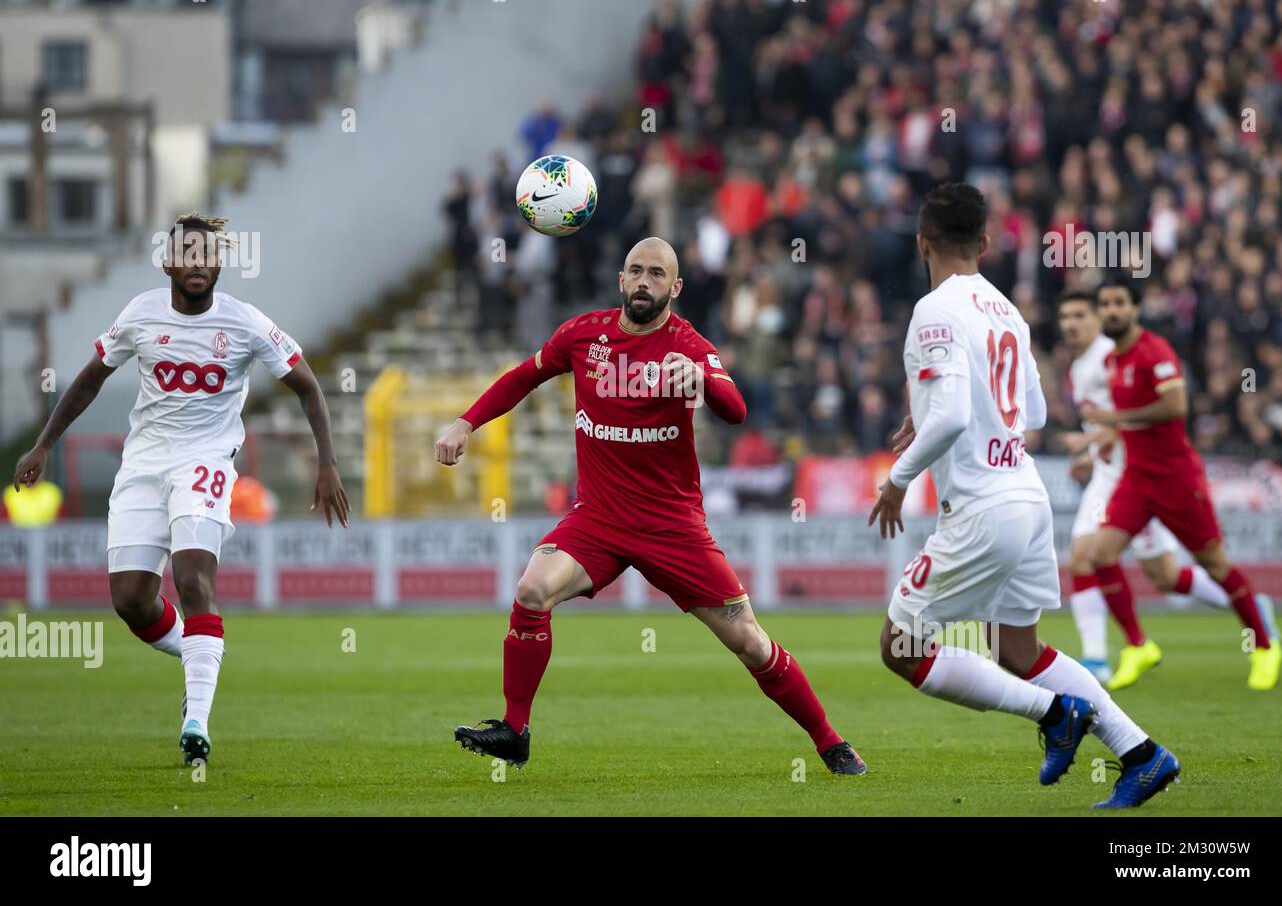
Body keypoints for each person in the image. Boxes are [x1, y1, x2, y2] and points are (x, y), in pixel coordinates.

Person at [437, 236, 867, 775]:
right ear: (621, 279)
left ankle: (830, 741)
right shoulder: (582, 335)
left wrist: (705, 382)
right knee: (531, 590)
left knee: (751, 643)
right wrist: (464, 422)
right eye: (635, 271)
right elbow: (525, 376)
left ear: (676, 287)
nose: (644, 282)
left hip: (672, 526)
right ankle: (515, 729)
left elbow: (735, 410)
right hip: (597, 518)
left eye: (657, 274)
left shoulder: (689, 346)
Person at [869, 184, 1178, 809]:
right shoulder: (1007, 309)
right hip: (1028, 494)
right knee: (1018, 649)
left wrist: (897, 480)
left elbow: (953, 416)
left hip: (983, 506)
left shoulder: (934, 309)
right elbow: (1031, 408)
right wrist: (928, 411)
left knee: (900, 648)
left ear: (922, 241)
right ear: (985, 243)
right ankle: (1143, 754)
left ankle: (1054, 713)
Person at [12, 213, 350, 764]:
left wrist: (327, 463)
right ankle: (199, 655)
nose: (198, 263)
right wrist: (45, 444)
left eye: (207, 255)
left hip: (205, 461)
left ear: (219, 263)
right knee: (130, 601)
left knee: (194, 579)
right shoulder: (141, 313)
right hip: (142, 463)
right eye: (187, 254)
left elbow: (308, 386)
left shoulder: (244, 323)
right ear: (168, 261)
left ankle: (197, 719)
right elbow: (92, 377)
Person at [1081, 277, 1282, 691]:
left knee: (1216, 564)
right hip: (1136, 478)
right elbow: (1130, 424)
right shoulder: (1110, 363)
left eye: (1119, 302)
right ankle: (1138, 646)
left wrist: (1112, 421)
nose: (1111, 310)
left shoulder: (1154, 350)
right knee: (1099, 554)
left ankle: (1263, 645)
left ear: (1135, 309)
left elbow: (1176, 406)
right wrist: (1104, 439)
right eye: (1105, 304)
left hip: (1176, 479)